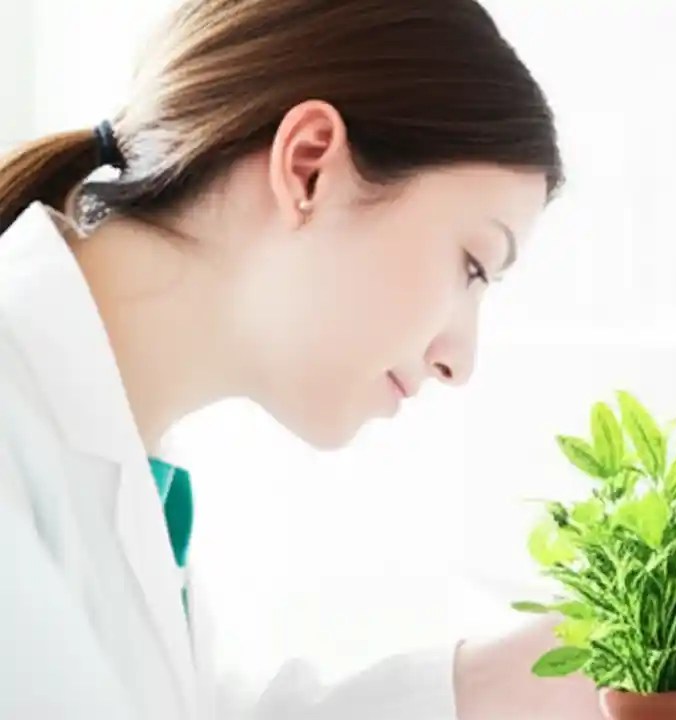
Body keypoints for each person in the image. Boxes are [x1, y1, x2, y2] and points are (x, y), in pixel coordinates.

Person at [0, 0, 603, 718]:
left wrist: (487, 685)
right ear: (309, 165)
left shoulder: (126, 462)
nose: (459, 360)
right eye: (473, 264)